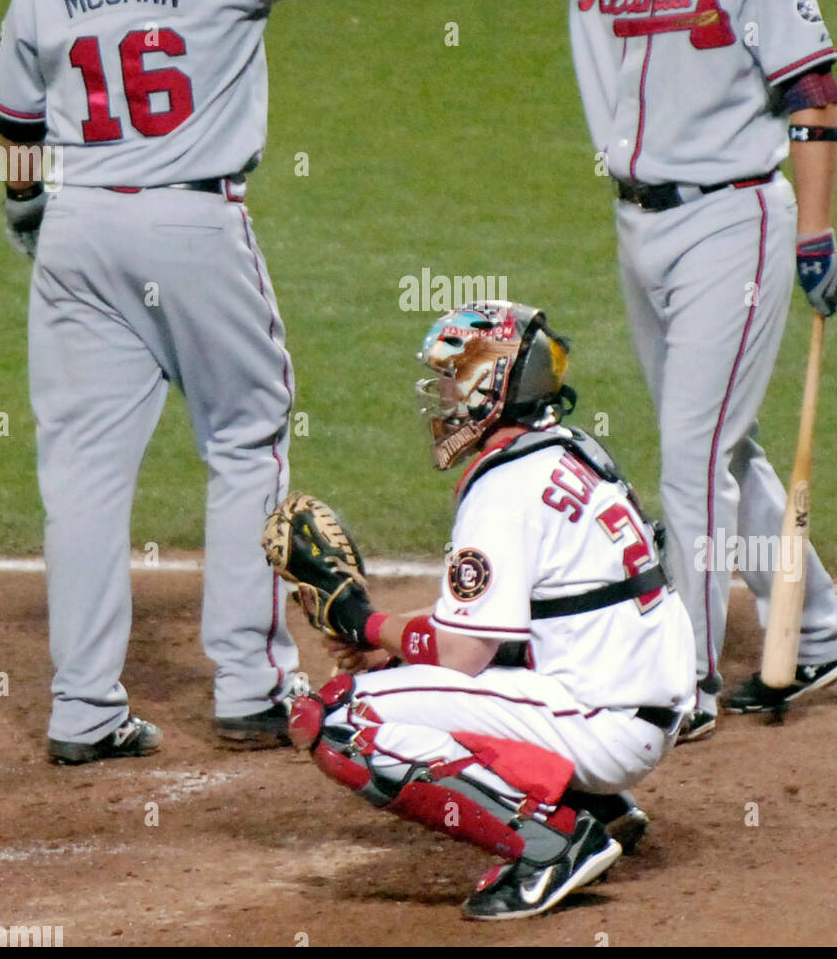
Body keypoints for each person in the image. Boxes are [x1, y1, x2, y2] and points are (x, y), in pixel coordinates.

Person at [0, 0, 443, 764]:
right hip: (188, 224)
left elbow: (17, 117)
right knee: (244, 437)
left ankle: (82, 709)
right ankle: (248, 682)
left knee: (84, 475)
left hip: (80, 224)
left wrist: (27, 214)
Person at [417, 0, 837, 740]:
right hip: (637, 224)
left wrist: (814, 231)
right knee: (717, 444)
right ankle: (821, 628)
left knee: (688, 458)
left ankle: (689, 680)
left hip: (729, 221)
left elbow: (811, 95)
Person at [285, 300, 695, 921]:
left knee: (338, 718)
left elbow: (462, 655)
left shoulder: (503, 489)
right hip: (634, 701)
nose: (440, 395)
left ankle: (551, 843)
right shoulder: (567, 452)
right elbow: (518, 621)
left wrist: (361, 620)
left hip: (600, 720)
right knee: (396, 673)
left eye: (452, 377)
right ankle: (597, 806)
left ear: (493, 385)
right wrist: (388, 645)